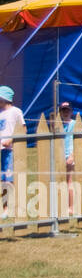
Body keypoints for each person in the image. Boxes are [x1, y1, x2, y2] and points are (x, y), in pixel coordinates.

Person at [0, 86, 24, 218]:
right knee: (3, 180)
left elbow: (22, 129)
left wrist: (11, 140)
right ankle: (5, 209)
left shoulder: (16, 112)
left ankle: (11, 207)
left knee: (9, 180)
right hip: (2, 151)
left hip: (11, 150)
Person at [58, 101, 76, 214]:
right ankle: (61, 204)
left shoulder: (74, 124)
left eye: (67, 110)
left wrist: (72, 156)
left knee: (68, 181)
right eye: (63, 110)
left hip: (69, 155)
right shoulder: (58, 125)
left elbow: (76, 142)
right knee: (59, 182)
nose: (65, 113)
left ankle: (71, 206)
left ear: (71, 112)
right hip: (59, 156)